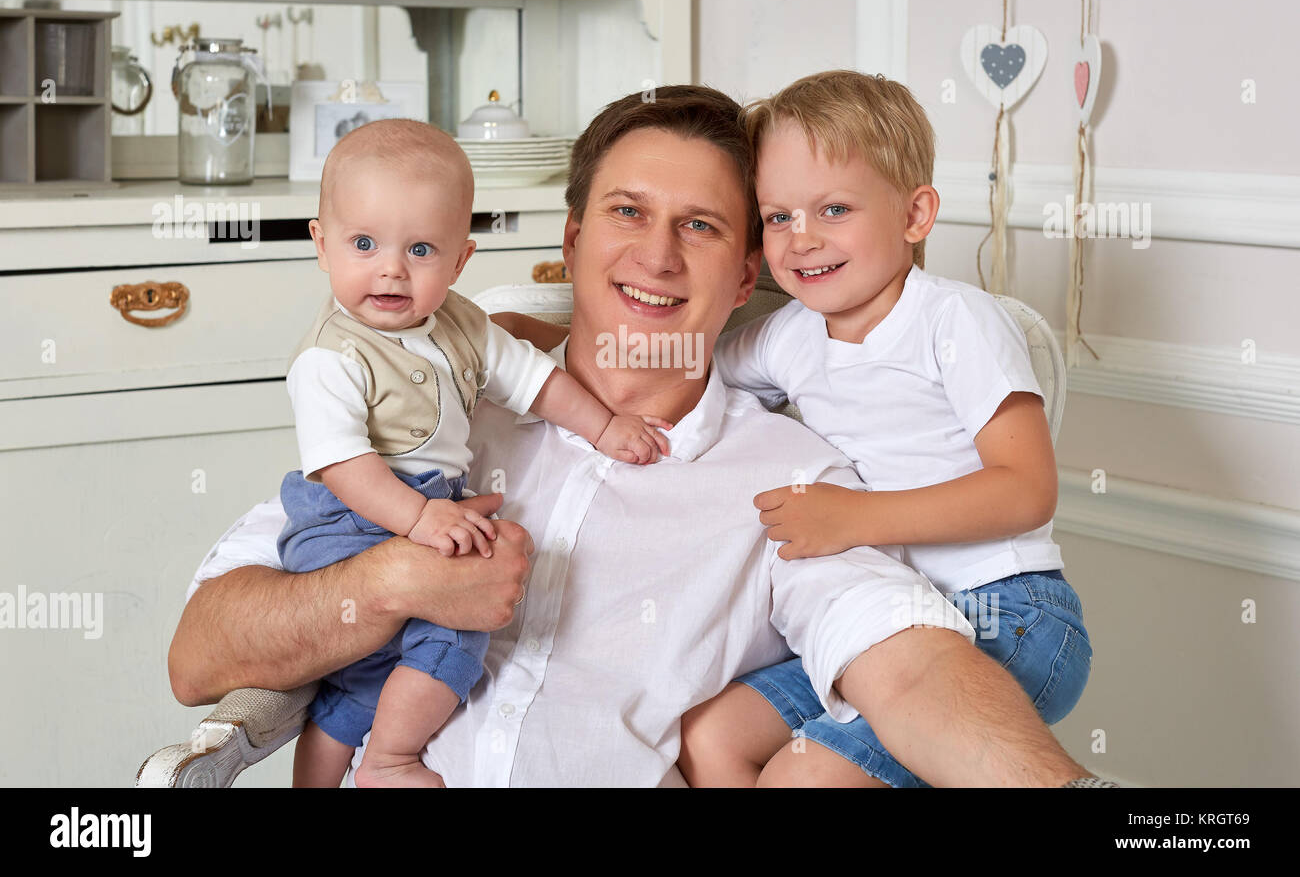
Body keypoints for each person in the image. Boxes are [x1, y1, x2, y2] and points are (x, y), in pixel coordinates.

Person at [170, 85, 1105, 787]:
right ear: (571, 239)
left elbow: (914, 670)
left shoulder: (790, 473)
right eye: (627, 213)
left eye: (698, 227)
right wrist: (395, 577)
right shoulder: (439, 408)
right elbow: (200, 657)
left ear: (746, 278)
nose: (656, 255)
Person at [669, 70, 1092, 787]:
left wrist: (857, 519)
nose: (802, 240)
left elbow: (1026, 491)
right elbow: (688, 365)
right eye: (778, 217)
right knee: (712, 737)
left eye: (833, 209)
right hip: (892, 621)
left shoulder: (955, 321)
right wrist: (545, 338)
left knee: (801, 778)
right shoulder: (789, 336)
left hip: (1009, 611)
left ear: (915, 215)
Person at [278, 119, 669, 787]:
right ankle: (390, 760)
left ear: (461, 259)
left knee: (365, 681)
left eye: (422, 249)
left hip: (423, 508)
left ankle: (350, 749)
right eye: (364, 243)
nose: (391, 269)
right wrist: (423, 521)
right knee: (454, 632)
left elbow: (535, 381)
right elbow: (342, 466)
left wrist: (603, 427)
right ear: (321, 244)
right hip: (346, 521)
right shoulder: (327, 359)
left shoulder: (462, 323)